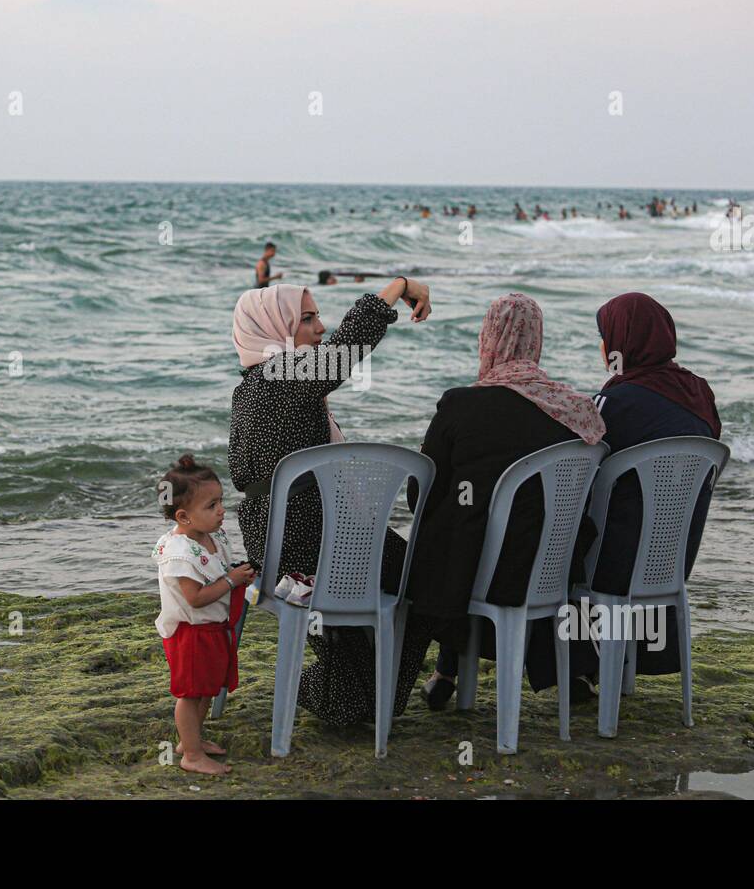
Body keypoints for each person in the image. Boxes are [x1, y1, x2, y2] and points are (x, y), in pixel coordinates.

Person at [228, 277, 432, 726]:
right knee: (422, 586)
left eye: (318, 315)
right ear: (273, 328)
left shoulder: (260, 384)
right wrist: (397, 286)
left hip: (312, 538)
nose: (321, 327)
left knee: (421, 585)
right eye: (307, 318)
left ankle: (365, 692)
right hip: (305, 548)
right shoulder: (277, 377)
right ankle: (332, 690)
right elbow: (346, 350)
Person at [407, 294, 606, 709]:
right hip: (551, 571)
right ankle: (569, 668)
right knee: (512, 529)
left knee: (456, 531)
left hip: (469, 576)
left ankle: (446, 670)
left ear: (489, 337)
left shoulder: (461, 404)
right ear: (536, 339)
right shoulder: (572, 410)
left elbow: (420, 494)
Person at [572, 292, 721, 678]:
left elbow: (579, 476)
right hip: (674, 560)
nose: (602, 346)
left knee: (558, 541)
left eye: (604, 336)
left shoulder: (613, 401)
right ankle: (619, 662)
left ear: (622, 342)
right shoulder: (701, 393)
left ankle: (576, 667)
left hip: (615, 564)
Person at [151, 455, 257, 776]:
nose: (221, 510)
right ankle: (191, 756)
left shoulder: (211, 536)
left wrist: (235, 572)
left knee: (208, 687)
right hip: (190, 632)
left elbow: (218, 571)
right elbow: (195, 599)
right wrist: (231, 581)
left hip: (212, 629)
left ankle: (190, 741)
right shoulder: (180, 553)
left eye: (220, 501)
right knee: (190, 693)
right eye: (212, 506)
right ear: (183, 516)